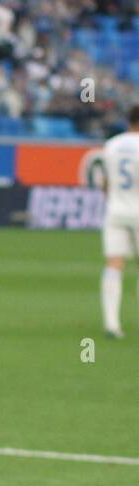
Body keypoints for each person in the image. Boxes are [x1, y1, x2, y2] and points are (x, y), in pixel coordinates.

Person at [100, 104, 139, 339]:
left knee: (114, 265)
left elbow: (105, 183)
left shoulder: (112, 144)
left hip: (115, 210)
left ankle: (111, 325)